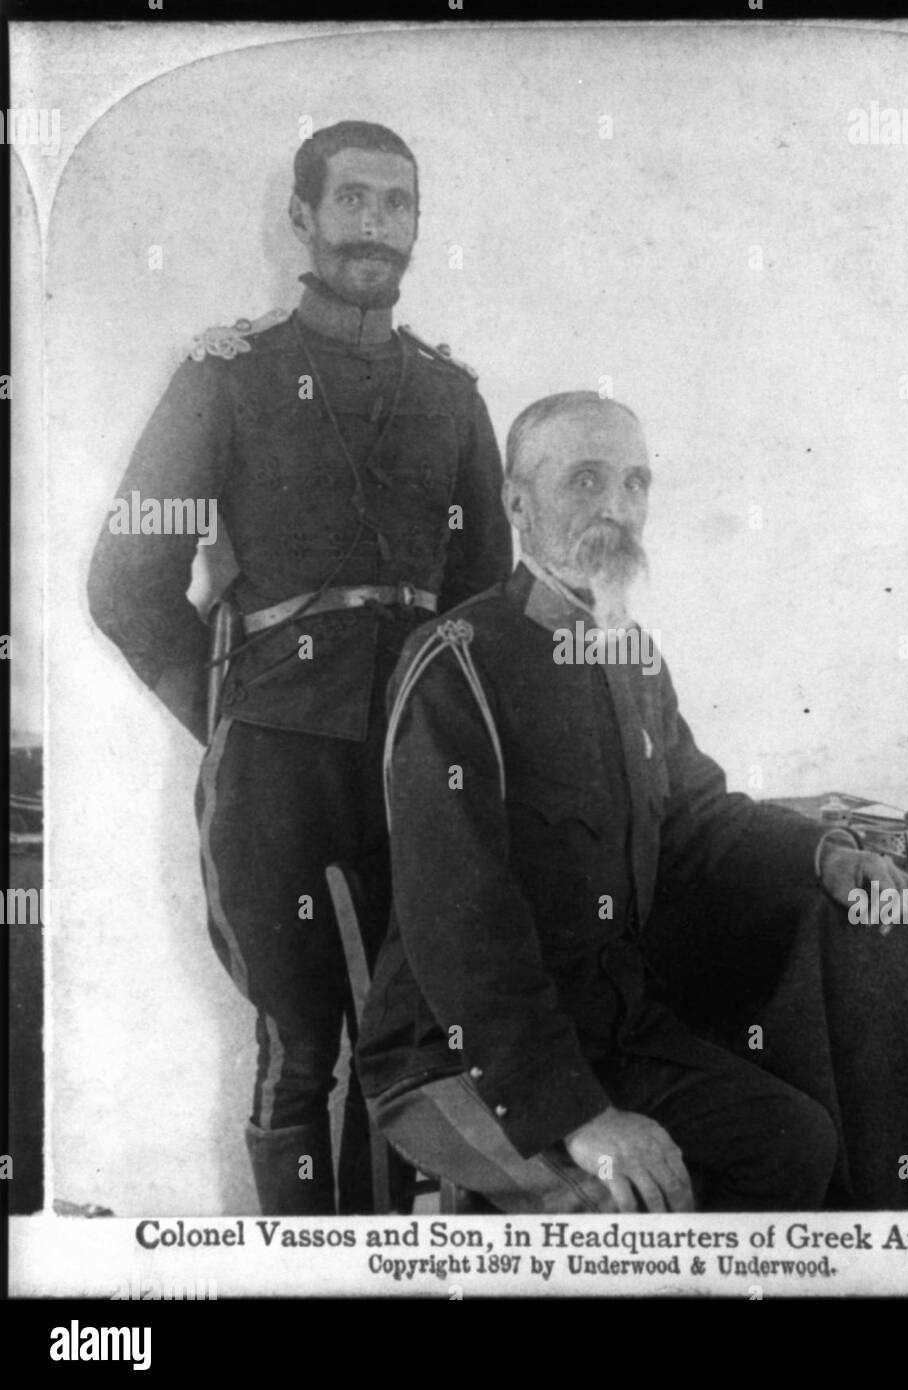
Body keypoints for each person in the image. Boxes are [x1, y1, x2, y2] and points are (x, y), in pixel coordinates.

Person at [87, 120, 513, 1214]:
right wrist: (234, 713)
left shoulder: (451, 395)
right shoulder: (227, 377)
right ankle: (301, 1270)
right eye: (353, 199)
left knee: (419, 1043)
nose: (376, 225)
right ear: (302, 218)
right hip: (274, 765)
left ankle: (403, 1272)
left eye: (397, 204)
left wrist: (454, 746)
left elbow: (483, 601)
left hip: (414, 768)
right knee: (297, 1048)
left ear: (416, 227)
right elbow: (127, 579)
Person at [356, 391, 908, 1212]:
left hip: (606, 1031)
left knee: (795, 1141)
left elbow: (701, 820)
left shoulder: (635, 660)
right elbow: (460, 924)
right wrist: (578, 1116)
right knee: (611, 1207)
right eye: (585, 480)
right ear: (517, 503)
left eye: (635, 483)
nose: (616, 507)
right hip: (457, 1054)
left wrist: (826, 855)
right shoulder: (456, 666)